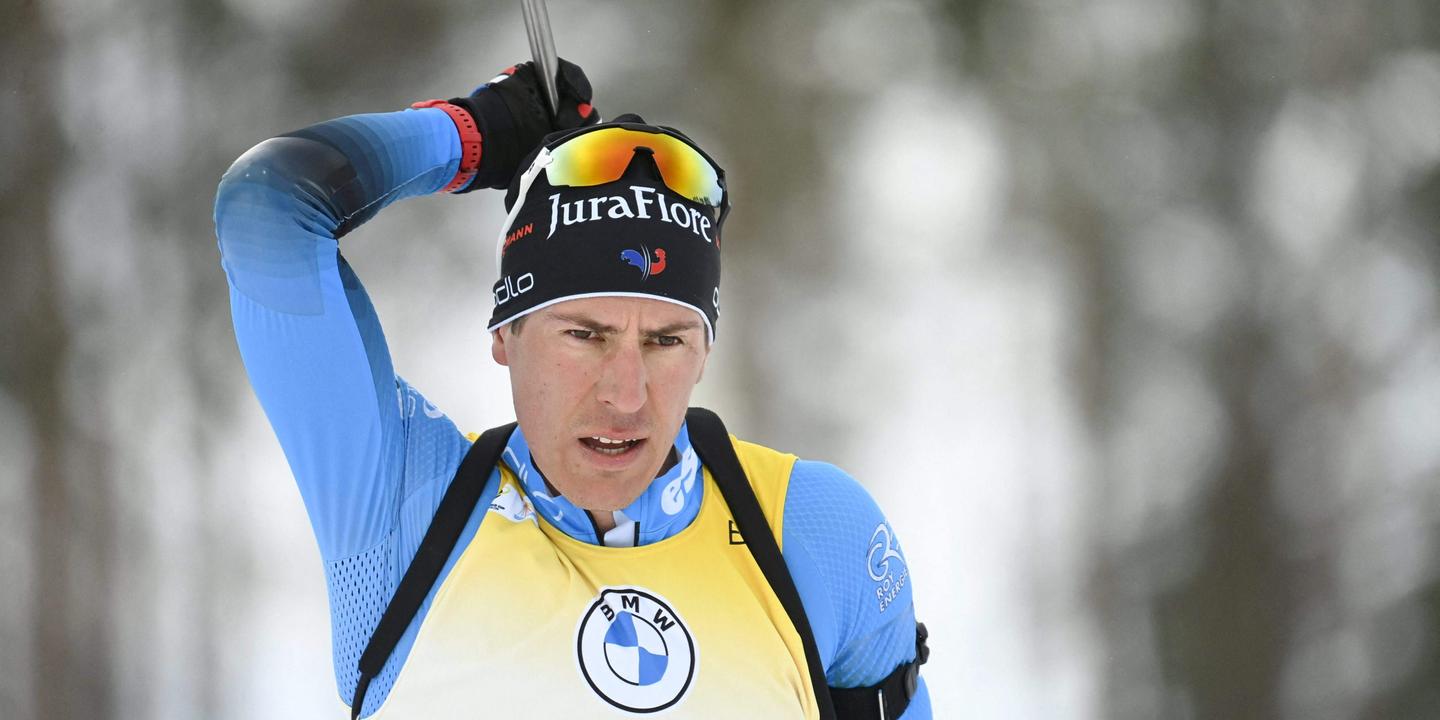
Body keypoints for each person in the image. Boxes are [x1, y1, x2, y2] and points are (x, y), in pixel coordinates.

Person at [213, 58, 931, 719]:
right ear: (506, 334)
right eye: (585, 335)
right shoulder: (408, 510)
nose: (626, 395)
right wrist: (470, 137)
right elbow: (268, 203)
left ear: (706, 350)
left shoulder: (813, 534)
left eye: (666, 341)